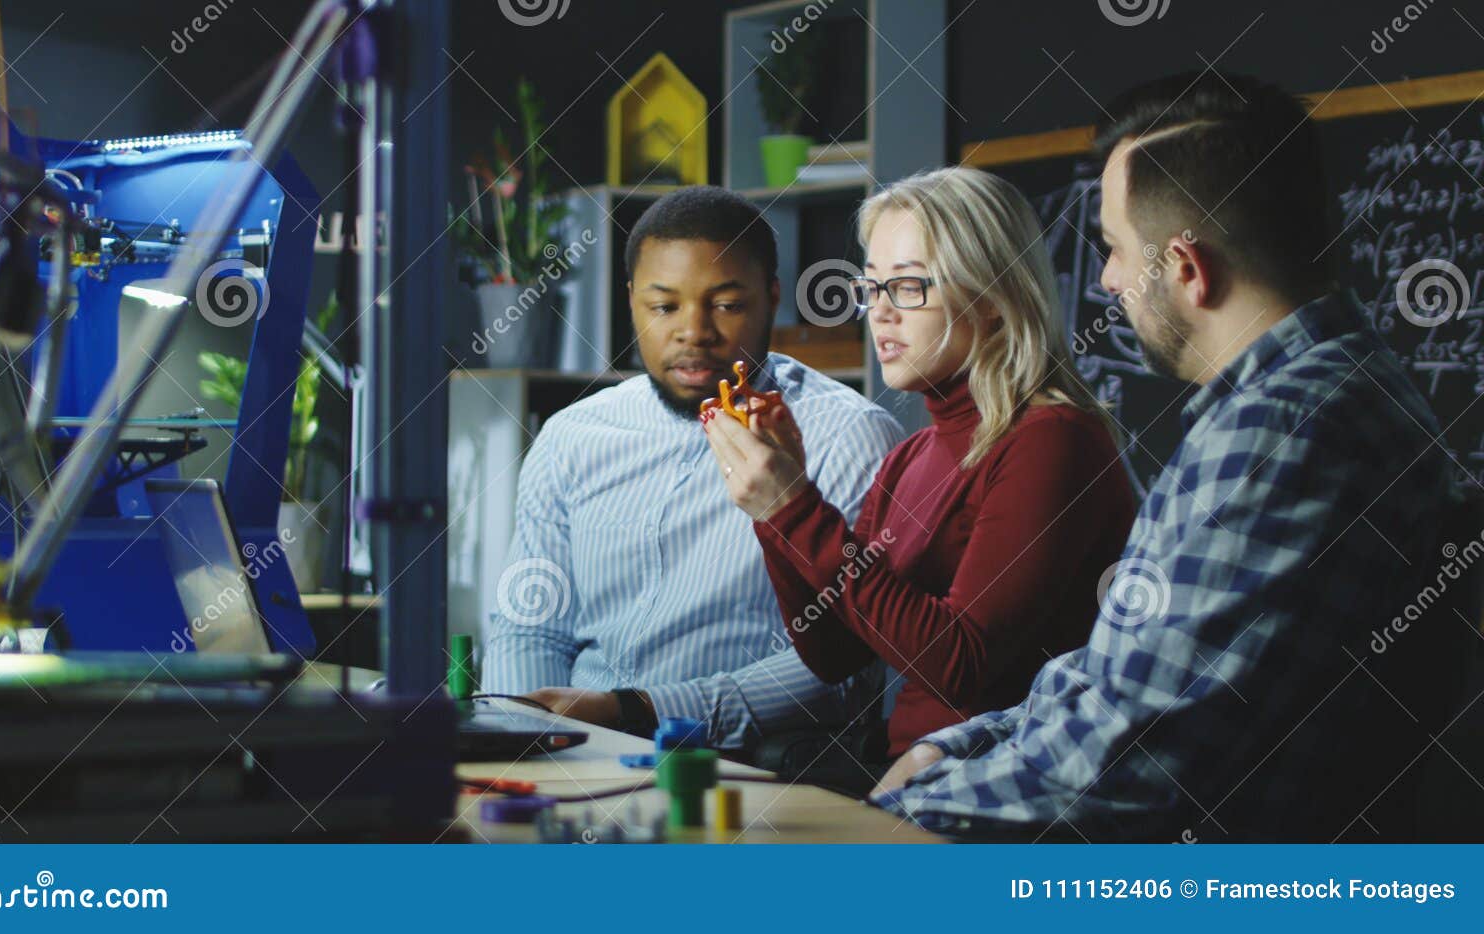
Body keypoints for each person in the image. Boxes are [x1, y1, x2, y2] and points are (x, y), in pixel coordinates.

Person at [871, 71, 1471, 841]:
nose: (1109, 281)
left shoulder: (1282, 431)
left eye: (1116, 251)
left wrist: (889, 819)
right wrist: (949, 746)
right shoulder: (1305, 395)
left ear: (1186, 269)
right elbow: (1118, 675)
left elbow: (1132, 760)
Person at [702, 167, 1134, 794]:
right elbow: (834, 653)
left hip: (1007, 793)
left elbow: (961, 664)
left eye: (906, 288)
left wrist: (794, 509)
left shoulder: (1050, 439)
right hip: (911, 775)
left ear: (991, 300)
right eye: (871, 288)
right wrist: (776, 512)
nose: (878, 313)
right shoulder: (911, 455)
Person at [482, 186, 905, 749]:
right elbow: (530, 624)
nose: (694, 332)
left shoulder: (849, 438)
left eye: (727, 305)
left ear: (773, 298)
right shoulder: (570, 438)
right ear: (631, 301)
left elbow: (847, 671)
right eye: (664, 307)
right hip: (576, 765)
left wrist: (638, 713)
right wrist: (525, 749)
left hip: (751, 779)